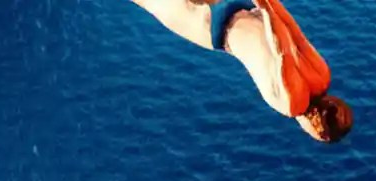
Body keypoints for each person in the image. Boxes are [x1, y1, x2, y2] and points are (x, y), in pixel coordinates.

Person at [129, 0, 353, 143]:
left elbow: (293, 32)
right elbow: (280, 50)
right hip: (216, 26)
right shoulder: (293, 105)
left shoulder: (322, 75)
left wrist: (267, 4)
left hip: (241, 7)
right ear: (319, 131)